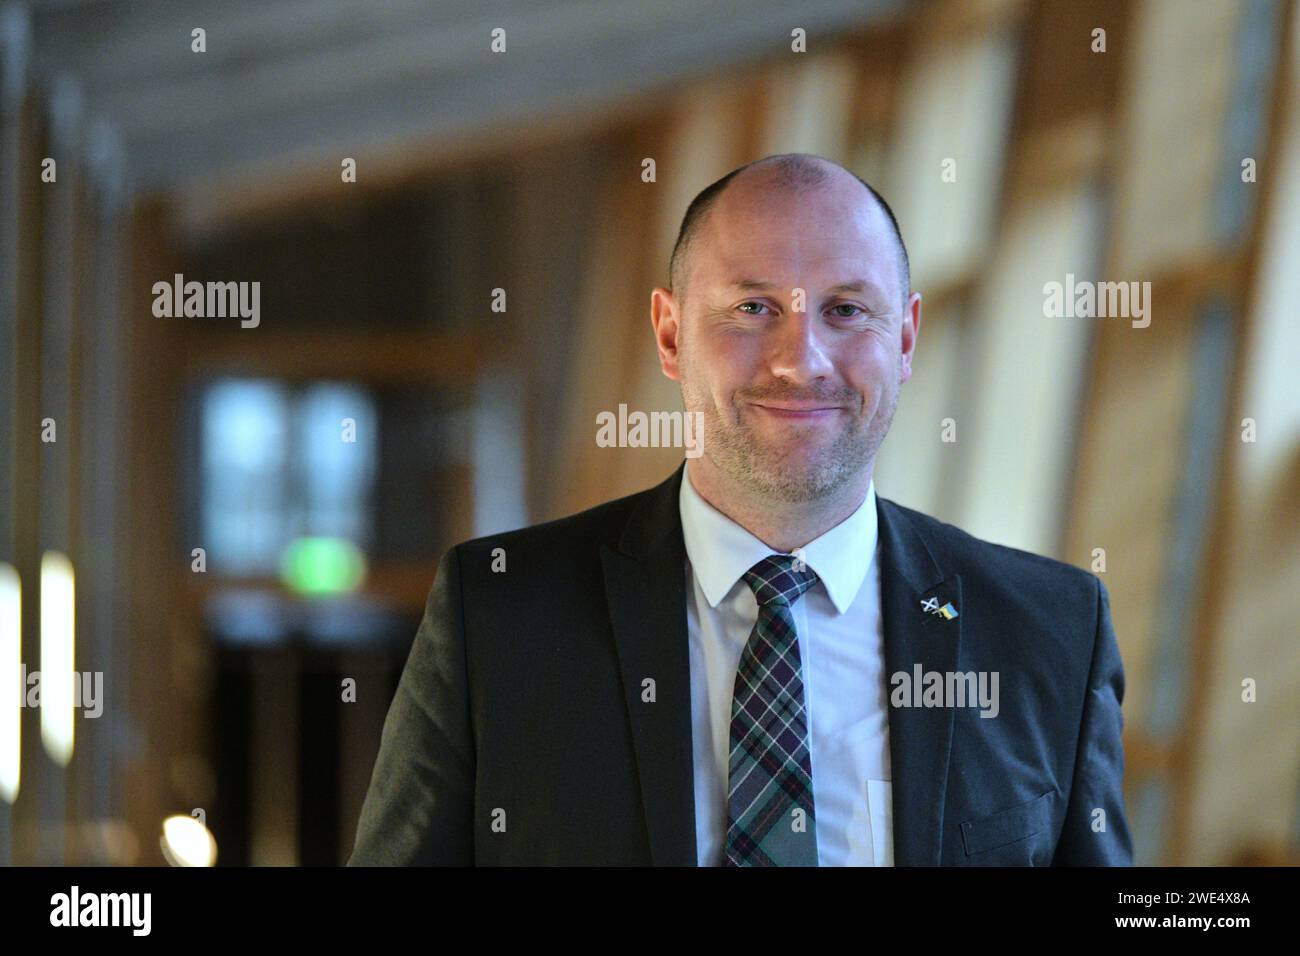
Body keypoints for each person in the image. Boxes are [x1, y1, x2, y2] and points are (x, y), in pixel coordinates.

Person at [348, 153, 1133, 866]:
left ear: (906, 337)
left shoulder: (1050, 632)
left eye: (846, 310)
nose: (802, 362)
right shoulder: (501, 615)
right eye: (754, 309)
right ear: (668, 332)